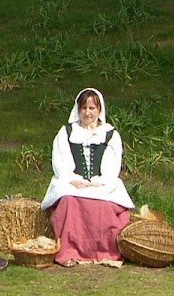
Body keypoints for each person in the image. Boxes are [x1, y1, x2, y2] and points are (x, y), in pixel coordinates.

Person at [40, 87, 135, 268]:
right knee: (68, 201)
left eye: (92, 108)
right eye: (84, 108)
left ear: (100, 110)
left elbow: (112, 166)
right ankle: (69, 251)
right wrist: (72, 179)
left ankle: (105, 251)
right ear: (78, 109)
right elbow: (60, 161)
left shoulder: (110, 134)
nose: (87, 112)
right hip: (73, 182)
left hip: (102, 183)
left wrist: (99, 182)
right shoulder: (67, 132)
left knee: (106, 205)